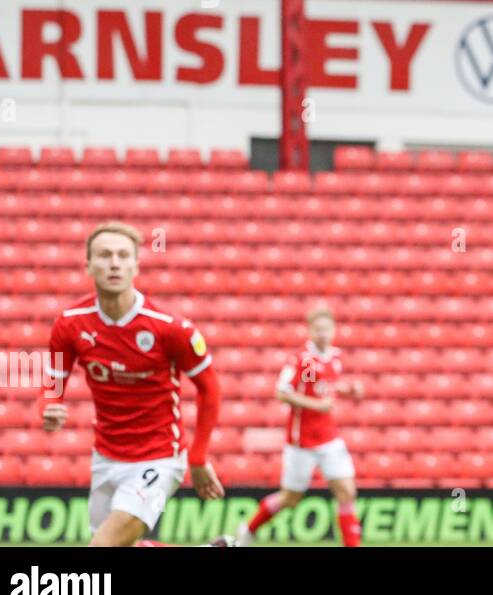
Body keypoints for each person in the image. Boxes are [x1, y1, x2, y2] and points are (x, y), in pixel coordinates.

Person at [42, 221, 227, 547]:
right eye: (104, 255)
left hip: (158, 456)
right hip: (106, 456)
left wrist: (197, 458)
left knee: (101, 548)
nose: (114, 262)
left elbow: (210, 388)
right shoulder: (70, 323)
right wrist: (49, 405)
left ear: (135, 265)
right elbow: (53, 381)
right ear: (88, 265)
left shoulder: (169, 328)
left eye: (123, 255)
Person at [238, 303, 364, 546]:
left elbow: (323, 387)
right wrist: (316, 405)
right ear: (310, 331)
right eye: (318, 329)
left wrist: (348, 391)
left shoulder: (335, 357)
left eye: (327, 329)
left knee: (347, 491)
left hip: (329, 437)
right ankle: (249, 528)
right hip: (302, 441)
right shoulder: (305, 361)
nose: (323, 334)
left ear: (334, 330)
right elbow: (284, 392)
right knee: (291, 497)